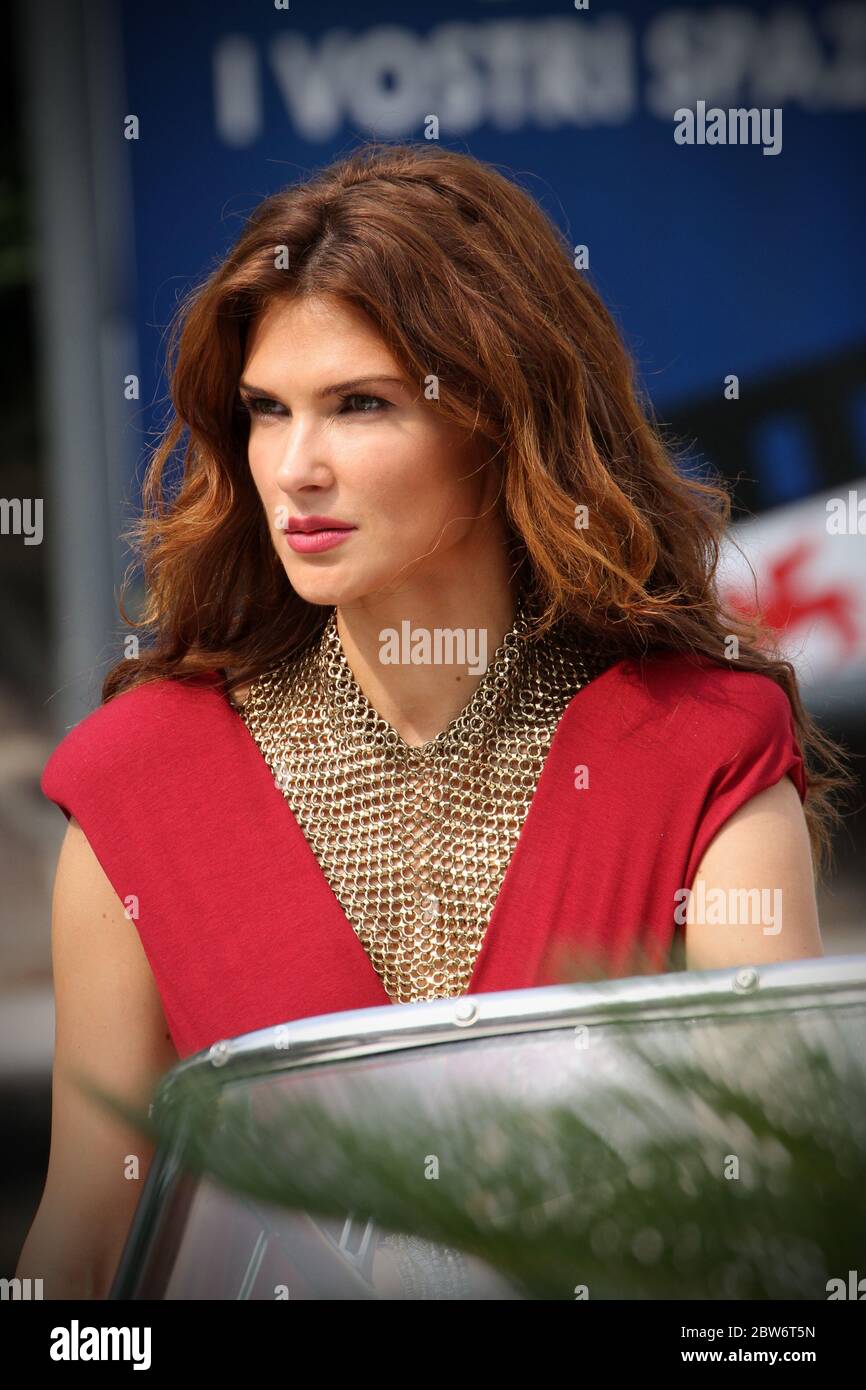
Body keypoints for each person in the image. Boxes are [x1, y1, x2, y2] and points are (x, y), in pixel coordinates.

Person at [17, 140, 845, 1299]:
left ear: (502, 420)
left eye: (358, 405)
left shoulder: (696, 749)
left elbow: (766, 1223)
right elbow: (90, 1235)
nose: (294, 465)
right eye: (266, 410)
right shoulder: (139, 778)